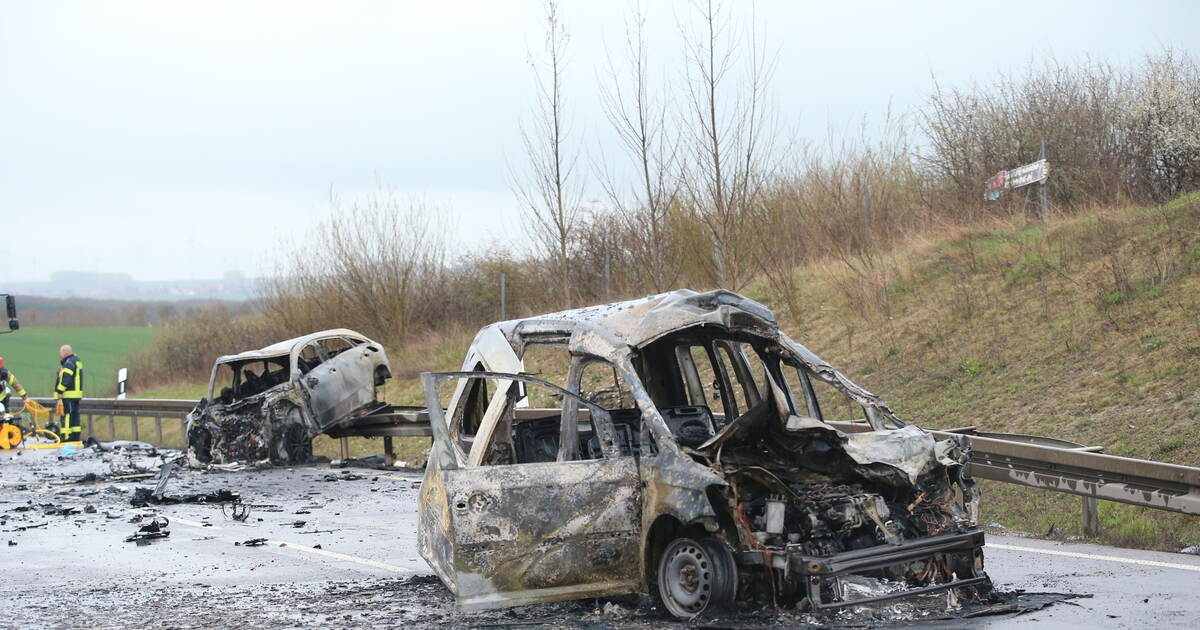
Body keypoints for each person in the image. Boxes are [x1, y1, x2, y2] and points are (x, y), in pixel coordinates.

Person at [54, 344, 84, 443]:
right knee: (75, 416)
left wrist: (59, 391)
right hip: (76, 395)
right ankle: (75, 437)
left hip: (68, 395)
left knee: (67, 415)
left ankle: (66, 437)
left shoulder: (69, 363)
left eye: (61, 353)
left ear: (65, 352)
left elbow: (66, 378)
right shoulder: (77, 361)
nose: (60, 355)